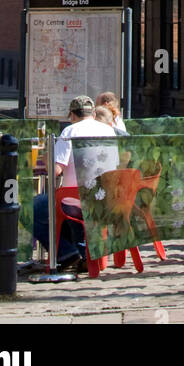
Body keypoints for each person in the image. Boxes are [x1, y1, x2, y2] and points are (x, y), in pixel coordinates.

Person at [32, 96, 119, 269]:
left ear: (72, 115)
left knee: (32, 208)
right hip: (106, 197)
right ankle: (81, 251)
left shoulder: (70, 132)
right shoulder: (109, 131)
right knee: (56, 205)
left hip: (76, 199)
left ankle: (66, 252)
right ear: (93, 113)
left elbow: (55, 169)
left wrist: (47, 157)